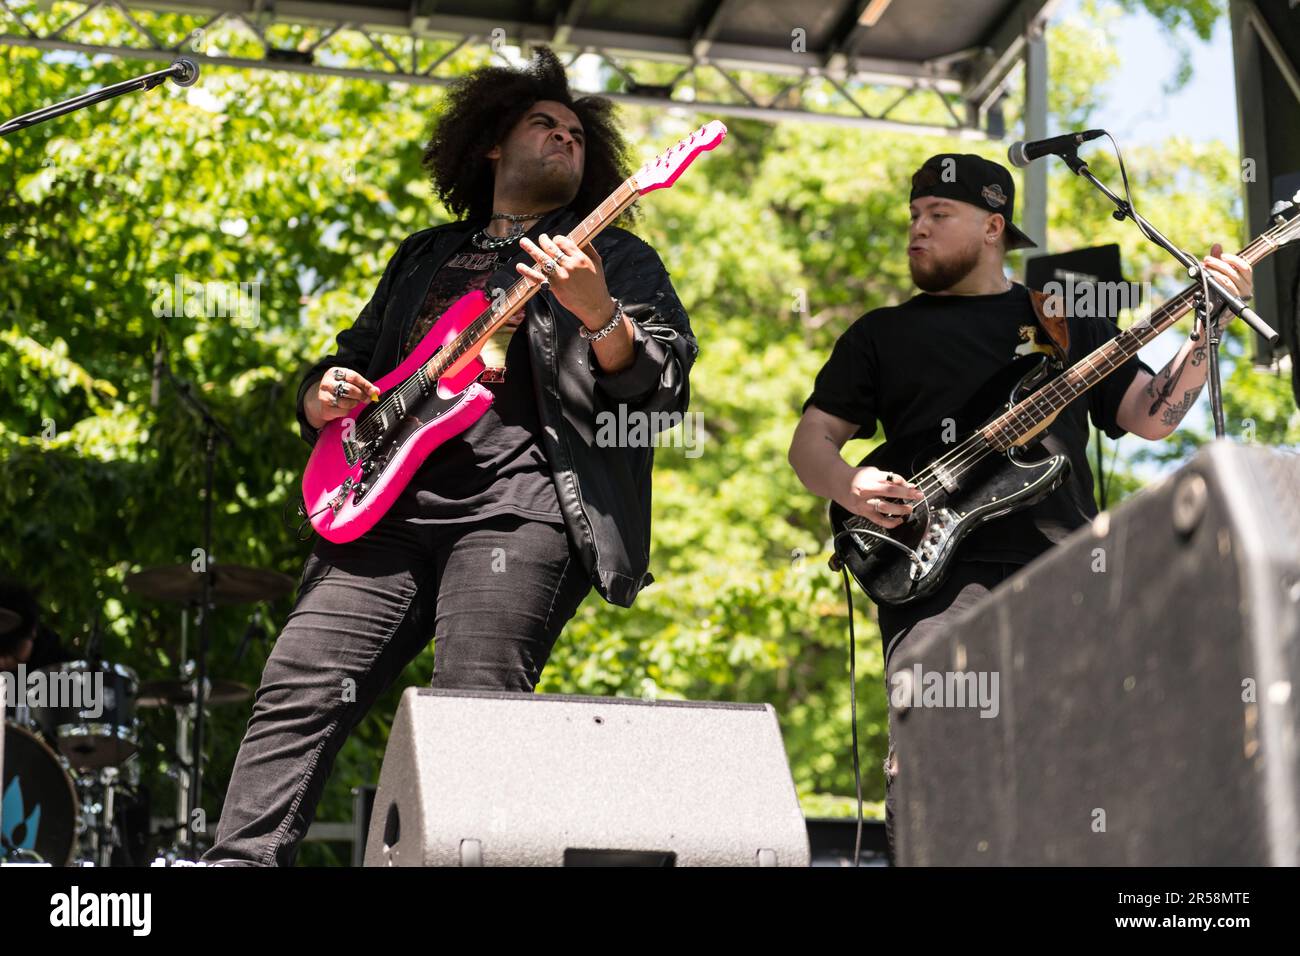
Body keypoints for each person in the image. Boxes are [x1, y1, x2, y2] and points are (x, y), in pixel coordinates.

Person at [203, 48, 696, 866]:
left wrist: (600, 312)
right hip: (379, 506)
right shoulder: (424, 255)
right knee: (297, 685)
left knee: (476, 713)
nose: (565, 137)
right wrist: (316, 395)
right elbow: (357, 357)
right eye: (545, 123)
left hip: (521, 505)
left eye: (578, 132)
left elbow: (662, 392)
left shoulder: (619, 260)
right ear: (492, 145)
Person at [786, 153, 1253, 861]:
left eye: (937, 215)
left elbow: (1151, 416)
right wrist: (849, 484)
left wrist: (1206, 332)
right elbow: (810, 443)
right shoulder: (881, 334)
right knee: (935, 732)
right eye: (914, 216)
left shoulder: (1062, 318)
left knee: (1066, 757)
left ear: (992, 227)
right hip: (935, 572)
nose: (917, 230)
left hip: (1061, 570)